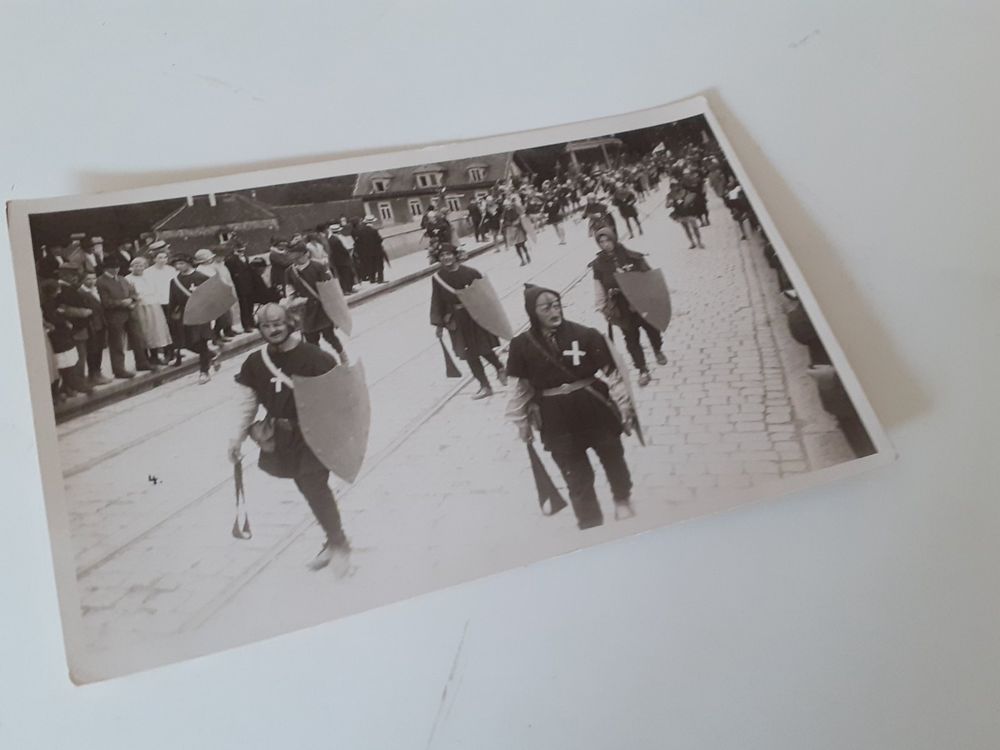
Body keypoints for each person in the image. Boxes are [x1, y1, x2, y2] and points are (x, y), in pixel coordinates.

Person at [228, 303, 351, 573]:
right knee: (308, 488)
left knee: (314, 486)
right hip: (284, 437)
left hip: (315, 434)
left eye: (278, 324)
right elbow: (248, 403)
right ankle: (333, 540)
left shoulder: (315, 357)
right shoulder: (256, 362)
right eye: (266, 326)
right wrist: (236, 438)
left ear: (290, 323)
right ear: (259, 329)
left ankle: (339, 544)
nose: (273, 330)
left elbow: (341, 398)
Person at [505, 284, 636, 529]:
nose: (555, 311)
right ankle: (589, 521)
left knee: (613, 456)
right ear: (533, 312)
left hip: (594, 408)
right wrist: (520, 421)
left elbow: (614, 374)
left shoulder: (586, 334)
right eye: (546, 308)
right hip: (555, 418)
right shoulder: (521, 345)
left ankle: (622, 498)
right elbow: (518, 388)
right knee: (575, 474)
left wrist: (624, 406)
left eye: (557, 305)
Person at [589, 227, 667, 387]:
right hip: (621, 306)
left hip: (640, 302)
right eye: (601, 242)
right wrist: (603, 306)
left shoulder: (632, 256)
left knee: (652, 329)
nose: (605, 245)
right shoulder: (598, 264)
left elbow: (649, 277)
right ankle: (642, 369)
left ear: (614, 239)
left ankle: (657, 349)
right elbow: (598, 286)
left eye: (607, 240)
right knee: (631, 339)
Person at [430, 243, 507, 399]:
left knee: (484, 349)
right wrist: (438, 324)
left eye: (449, 254)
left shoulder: (471, 273)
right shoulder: (438, 278)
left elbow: (486, 295)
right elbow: (437, 300)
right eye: (442, 256)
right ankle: (485, 386)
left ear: (456, 255)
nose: (446, 258)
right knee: (469, 355)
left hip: (475, 317)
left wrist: (490, 315)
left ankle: (499, 367)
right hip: (456, 321)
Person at [283, 241, 349, 364]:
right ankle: (320, 363)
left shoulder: (318, 267)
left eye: (298, 257)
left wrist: (335, 310)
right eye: (293, 258)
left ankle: (342, 355)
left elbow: (329, 289)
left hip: (322, 308)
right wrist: (291, 302)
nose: (296, 260)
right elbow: (290, 291)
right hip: (306, 311)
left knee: (330, 336)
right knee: (311, 341)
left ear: (306, 254)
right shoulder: (289, 272)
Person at [96, 258, 155, 378]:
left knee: (137, 338)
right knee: (117, 343)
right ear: (106, 268)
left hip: (130, 312)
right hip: (115, 315)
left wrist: (132, 300)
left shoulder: (122, 279)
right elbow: (105, 302)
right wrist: (122, 302)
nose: (116, 269)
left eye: (117, 267)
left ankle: (142, 362)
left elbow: (133, 291)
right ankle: (119, 369)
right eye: (113, 267)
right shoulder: (101, 282)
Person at [167, 251, 220, 383]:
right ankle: (212, 354)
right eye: (176, 264)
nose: (178, 266)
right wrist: (172, 313)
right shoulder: (175, 281)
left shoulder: (201, 277)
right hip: (186, 315)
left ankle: (204, 372)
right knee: (189, 344)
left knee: (201, 341)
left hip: (201, 313)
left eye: (181, 263)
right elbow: (173, 300)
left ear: (189, 263)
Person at [125, 256, 173, 365]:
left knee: (154, 331)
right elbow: (129, 294)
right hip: (139, 307)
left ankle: (155, 356)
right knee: (142, 332)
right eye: (136, 266)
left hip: (153, 305)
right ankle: (144, 358)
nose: (139, 268)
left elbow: (156, 289)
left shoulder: (149, 276)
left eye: (141, 265)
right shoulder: (128, 279)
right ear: (131, 267)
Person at [225, 242, 257, 331]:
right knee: (244, 306)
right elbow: (231, 273)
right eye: (240, 250)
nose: (242, 252)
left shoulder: (245, 258)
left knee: (250, 305)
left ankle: (252, 322)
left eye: (243, 250)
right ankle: (246, 325)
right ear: (235, 250)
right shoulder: (231, 260)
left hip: (249, 284)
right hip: (240, 286)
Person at [666, 182, 704, 249]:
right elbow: (667, 206)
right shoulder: (669, 195)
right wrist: (671, 203)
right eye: (672, 187)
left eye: (675, 186)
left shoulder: (685, 191)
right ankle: (692, 243)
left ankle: (699, 242)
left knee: (695, 228)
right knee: (686, 229)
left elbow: (692, 198)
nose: (674, 188)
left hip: (690, 212)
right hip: (680, 214)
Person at [324, 224, 356, 295]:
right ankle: (346, 289)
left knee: (344, 274)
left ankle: (348, 288)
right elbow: (342, 250)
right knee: (346, 275)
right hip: (342, 260)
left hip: (337, 260)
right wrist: (348, 252)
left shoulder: (331, 239)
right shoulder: (336, 240)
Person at [355, 217, 389, 284]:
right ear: (371, 222)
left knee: (371, 265)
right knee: (379, 265)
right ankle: (380, 279)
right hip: (377, 251)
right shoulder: (374, 231)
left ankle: (372, 279)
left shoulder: (361, 231)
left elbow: (359, 242)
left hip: (367, 252)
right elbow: (379, 240)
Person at [500, 198, 531, 265]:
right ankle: (522, 260)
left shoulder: (515, 210)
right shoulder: (504, 213)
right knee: (516, 246)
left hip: (518, 229)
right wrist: (506, 223)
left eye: (508, 205)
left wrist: (517, 222)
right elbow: (503, 221)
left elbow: (520, 217)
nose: (507, 206)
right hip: (511, 230)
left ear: (511, 204)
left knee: (522, 245)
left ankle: (527, 254)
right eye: (506, 205)